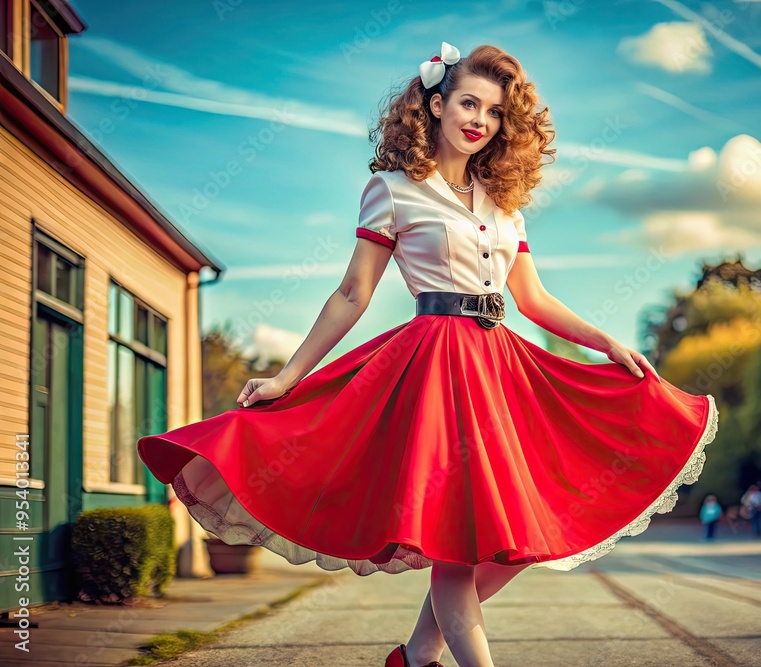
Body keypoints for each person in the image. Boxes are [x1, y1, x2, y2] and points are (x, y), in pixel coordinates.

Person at [136, 41, 719, 667]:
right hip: (436, 370)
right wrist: (286, 377)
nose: (479, 121)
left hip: (502, 371)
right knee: (455, 547)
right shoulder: (391, 190)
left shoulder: (505, 203)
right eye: (469, 103)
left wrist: (606, 344)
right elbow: (353, 293)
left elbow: (533, 298)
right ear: (435, 104)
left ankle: (415, 658)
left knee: (513, 543)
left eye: (494, 112)